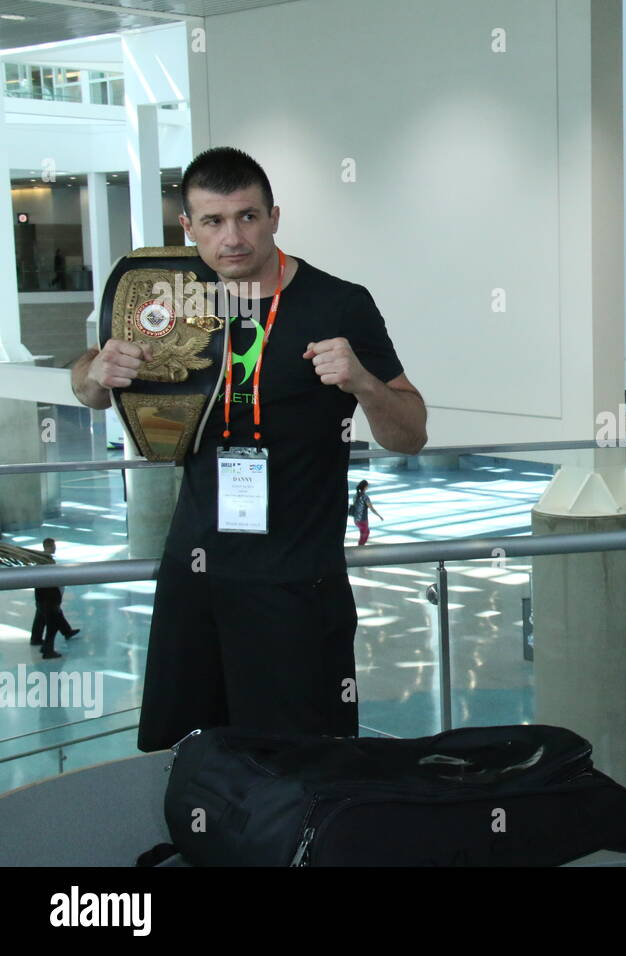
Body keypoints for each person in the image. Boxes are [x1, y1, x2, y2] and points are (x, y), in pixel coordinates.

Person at [70, 147, 427, 752]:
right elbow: (88, 391)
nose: (232, 237)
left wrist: (363, 382)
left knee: (301, 763)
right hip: (196, 574)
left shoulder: (338, 304)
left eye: (248, 217)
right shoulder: (167, 296)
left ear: (275, 216)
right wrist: (97, 370)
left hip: (296, 580)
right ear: (187, 227)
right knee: (185, 754)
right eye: (212, 221)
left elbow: (411, 434)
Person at [29, 538, 80, 659]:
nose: (54, 548)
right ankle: (48, 650)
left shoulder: (41, 560)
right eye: (52, 546)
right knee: (52, 624)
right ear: (47, 547)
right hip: (49, 599)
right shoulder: (47, 562)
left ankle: (63, 633)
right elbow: (52, 581)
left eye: (54, 545)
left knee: (45, 617)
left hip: (42, 599)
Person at [350, 480, 383, 545]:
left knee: (363, 533)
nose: (368, 487)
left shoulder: (355, 496)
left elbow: (355, 506)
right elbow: (372, 508)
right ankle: (360, 548)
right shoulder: (365, 497)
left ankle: (360, 546)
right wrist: (379, 516)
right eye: (367, 486)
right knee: (365, 534)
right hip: (363, 520)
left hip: (356, 520)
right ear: (365, 487)